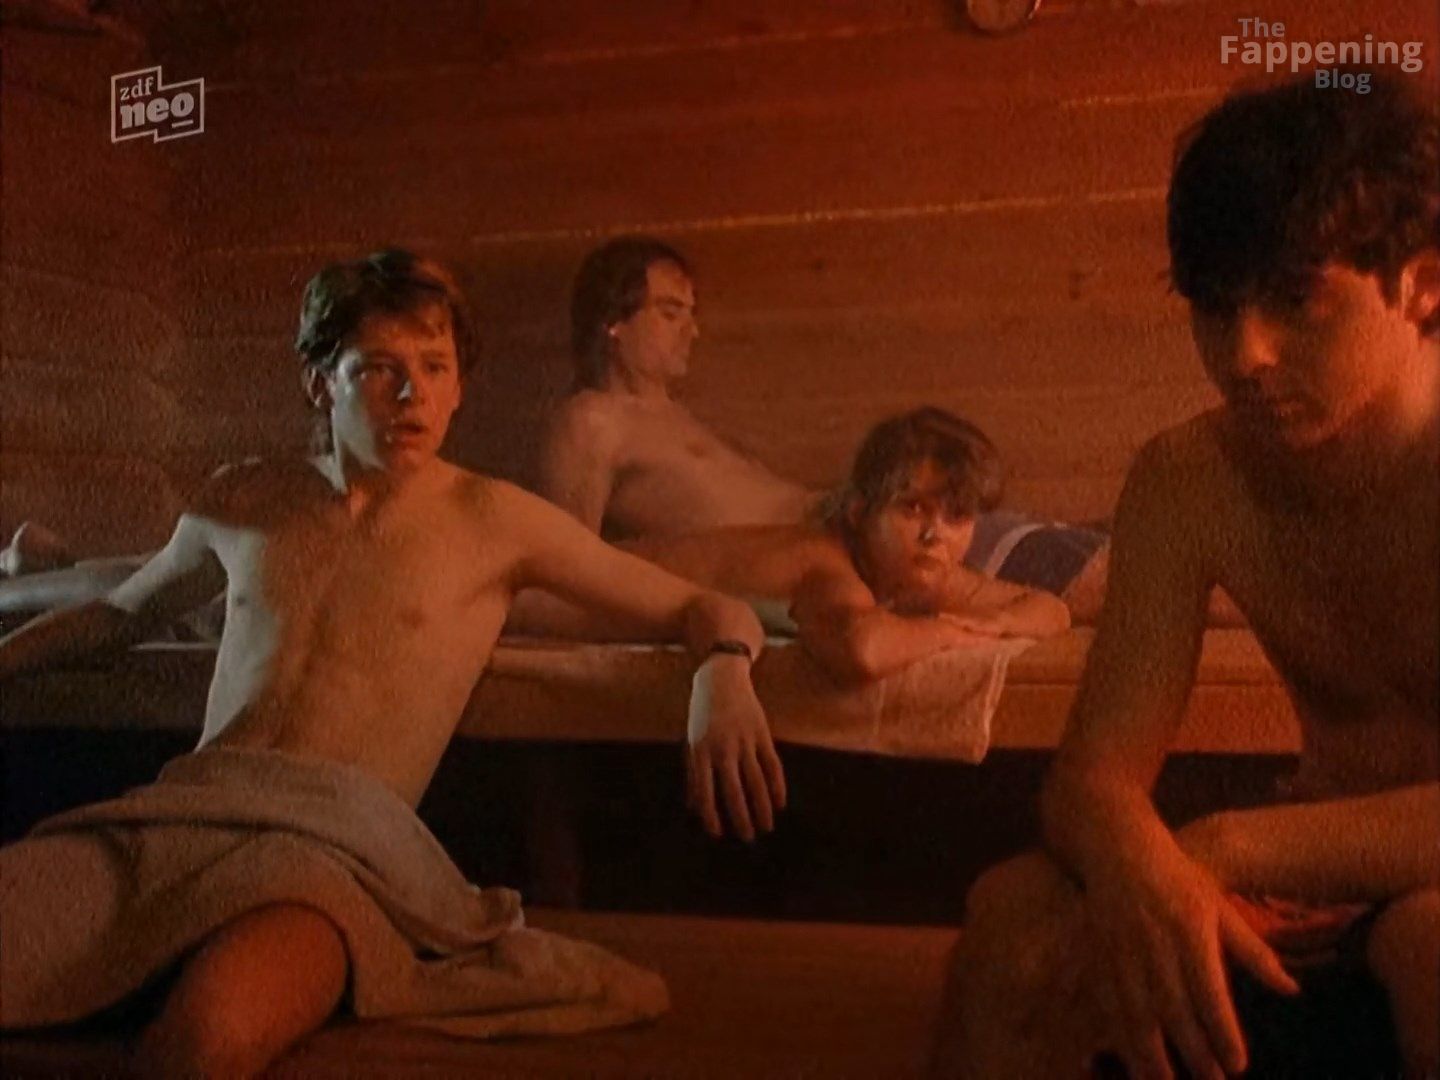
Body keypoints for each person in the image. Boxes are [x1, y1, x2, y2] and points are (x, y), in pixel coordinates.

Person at [0, 249, 787, 1076]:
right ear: (320, 384)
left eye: (434, 368)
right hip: (184, 815)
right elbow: (118, 614)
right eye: (379, 369)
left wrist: (724, 673)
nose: (412, 396)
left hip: (335, 855)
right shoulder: (245, 497)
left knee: (204, 1040)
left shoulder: (494, 521)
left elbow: (709, 608)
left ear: (458, 387)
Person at [931, 71, 1439, 1078]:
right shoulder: (1188, 480)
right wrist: (1143, 866)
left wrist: (1221, 849)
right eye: (1215, 308)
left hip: (1391, 887)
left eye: (1296, 301)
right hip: (1317, 880)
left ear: (1421, 284)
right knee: (1010, 925)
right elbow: (1092, 780)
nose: (1244, 355)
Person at [512, 406, 1072, 682]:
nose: (935, 535)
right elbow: (862, 651)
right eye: (912, 510)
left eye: (957, 518)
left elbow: (1051, 608)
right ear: (858, 512)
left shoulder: (914, 565)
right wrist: (953, 631)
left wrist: (997, 622)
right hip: (546, 593)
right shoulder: (823, 562)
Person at [538, 235, 817, 539]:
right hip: (793, 550)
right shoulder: (592, 420)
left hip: (818, 524)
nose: (692, 331)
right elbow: (566, 554)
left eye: (691, 314)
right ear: (613, 321)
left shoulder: (679, 416)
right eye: (670, 314)